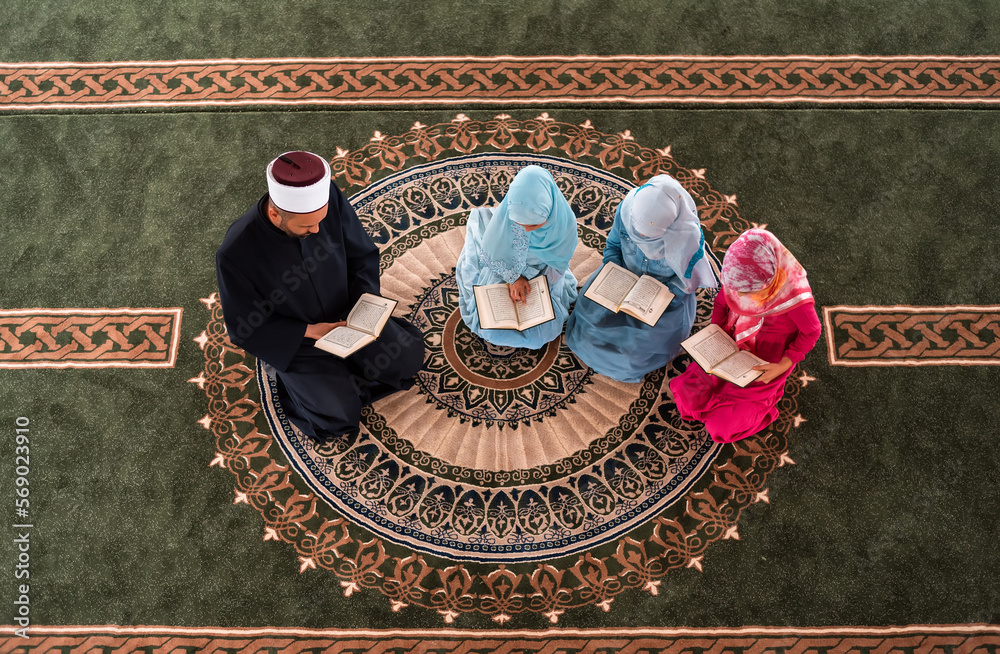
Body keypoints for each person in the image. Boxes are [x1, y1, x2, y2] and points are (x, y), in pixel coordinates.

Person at [216, 151, 424, 442]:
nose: (317, 231)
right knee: (338, 416)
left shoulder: (326, 200)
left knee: (406, 362)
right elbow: (243, 328)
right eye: (307, 227)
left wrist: (363, 306)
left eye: (320, 222)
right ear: (276, 214)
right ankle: (309, 385)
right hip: (300, 341)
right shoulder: (236, 253)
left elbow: (361, 253)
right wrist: (309, 331)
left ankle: (343, 375)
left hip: (348, 313)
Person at [668, 228, 821, 443]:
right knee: (685, 396)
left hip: (766, 359)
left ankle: (760, 410)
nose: (738, 296)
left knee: (722, 426)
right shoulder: (737, 276)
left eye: (746, 293)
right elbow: (722, 304)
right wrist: (717, 334)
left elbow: (812, 331)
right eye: (734, 289)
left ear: (769, 282)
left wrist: (784, 364)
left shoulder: (793, 299)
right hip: (733, 341)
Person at [565, 174, 717, 382]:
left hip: (664, 300)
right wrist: (614, 271)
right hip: (620, 280)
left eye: (651, 237)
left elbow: (686, 284)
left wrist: (660, 295)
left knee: (633, 354)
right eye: (637, 233)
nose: (642, 240)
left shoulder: (687, 236)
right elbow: (613, 247)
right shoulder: (629, 210)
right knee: (587, 331)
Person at [455, 165, 579, 349]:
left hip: (544, 274)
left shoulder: (565, 227)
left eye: (534, 224)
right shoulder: (508, 217)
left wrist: (538, 288)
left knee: (546, 330)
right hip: (506, 269)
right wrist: (513, 278)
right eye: (520, 223)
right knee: (489, 324)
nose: (526, 229)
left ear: (549, 210)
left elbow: (557, 266)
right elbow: (495, 252)